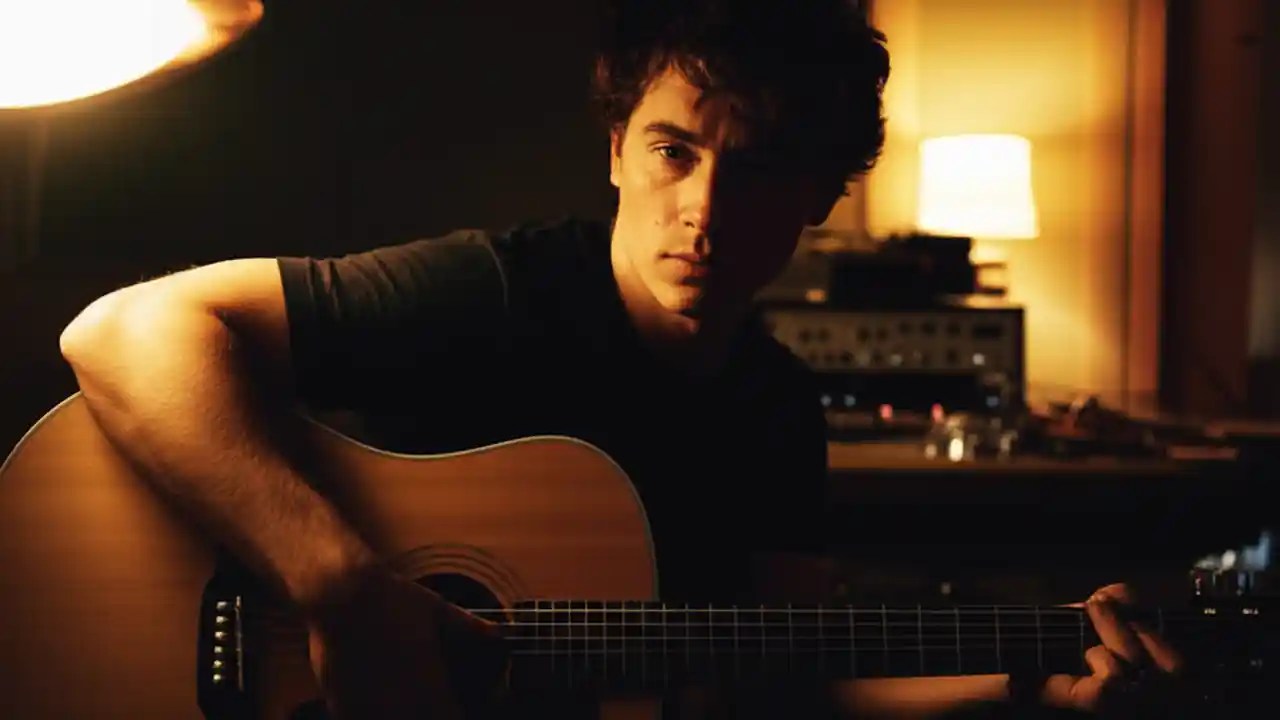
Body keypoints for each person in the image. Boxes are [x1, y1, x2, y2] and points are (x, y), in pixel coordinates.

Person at [58, 0, 1184, 717]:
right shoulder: (490, 291)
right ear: (613, 147)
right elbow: (119, 333)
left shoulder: (775, 411)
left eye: (755, 170)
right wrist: (340, 585)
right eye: (672, 150)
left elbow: (799, 672)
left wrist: (1034, 672)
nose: (702, 209)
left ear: (820, 200)